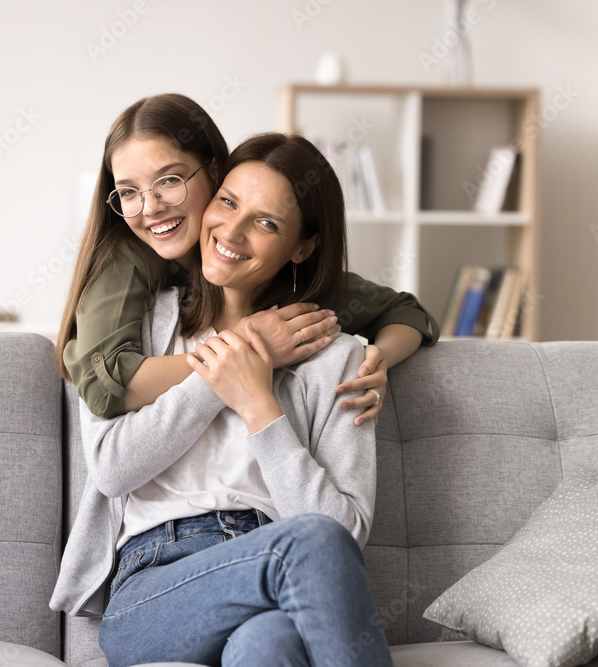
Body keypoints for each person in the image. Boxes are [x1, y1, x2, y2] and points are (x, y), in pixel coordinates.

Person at [50, 133, 395, 666]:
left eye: (266, 223)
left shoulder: (338, 358)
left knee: (270, 645)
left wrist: (259, 406)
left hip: (276, 573)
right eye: (228, 202)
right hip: (153, 589)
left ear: (303, 247)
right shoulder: (134, 327)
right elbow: (113, 471)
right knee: (311, 543)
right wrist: (223, 371)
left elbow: (345, 534)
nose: (231, 232)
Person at [52, 93, 437, 427]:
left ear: (214, 172)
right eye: (128, 191)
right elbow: (102, 388)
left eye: (169, 180)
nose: (150, 207)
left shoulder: (285, 277)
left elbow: (406, 312)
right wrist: (248, 347)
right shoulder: (128, 257)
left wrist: (377, 360)